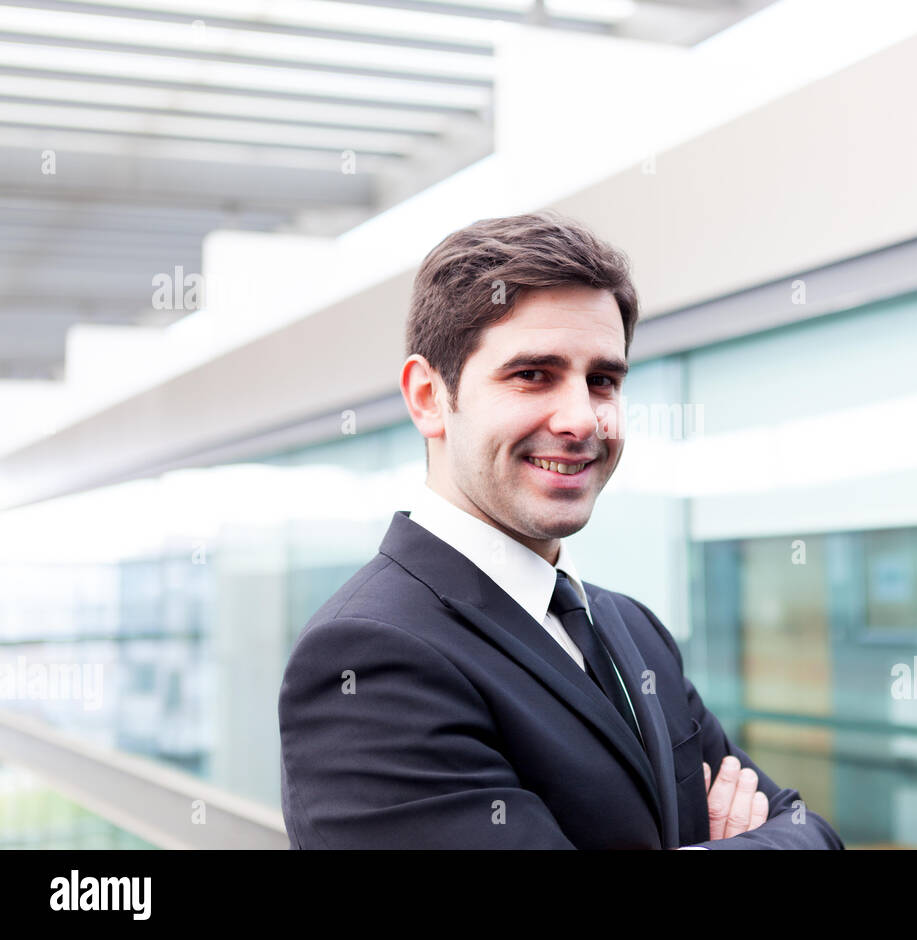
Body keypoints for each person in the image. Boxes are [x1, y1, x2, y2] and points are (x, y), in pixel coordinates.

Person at [277, 211, 844, 849]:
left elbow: (808, 832)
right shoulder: (367, 656)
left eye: (602, 381)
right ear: (429, 397)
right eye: (532, 375)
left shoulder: (632, 628)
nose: (581, 419)